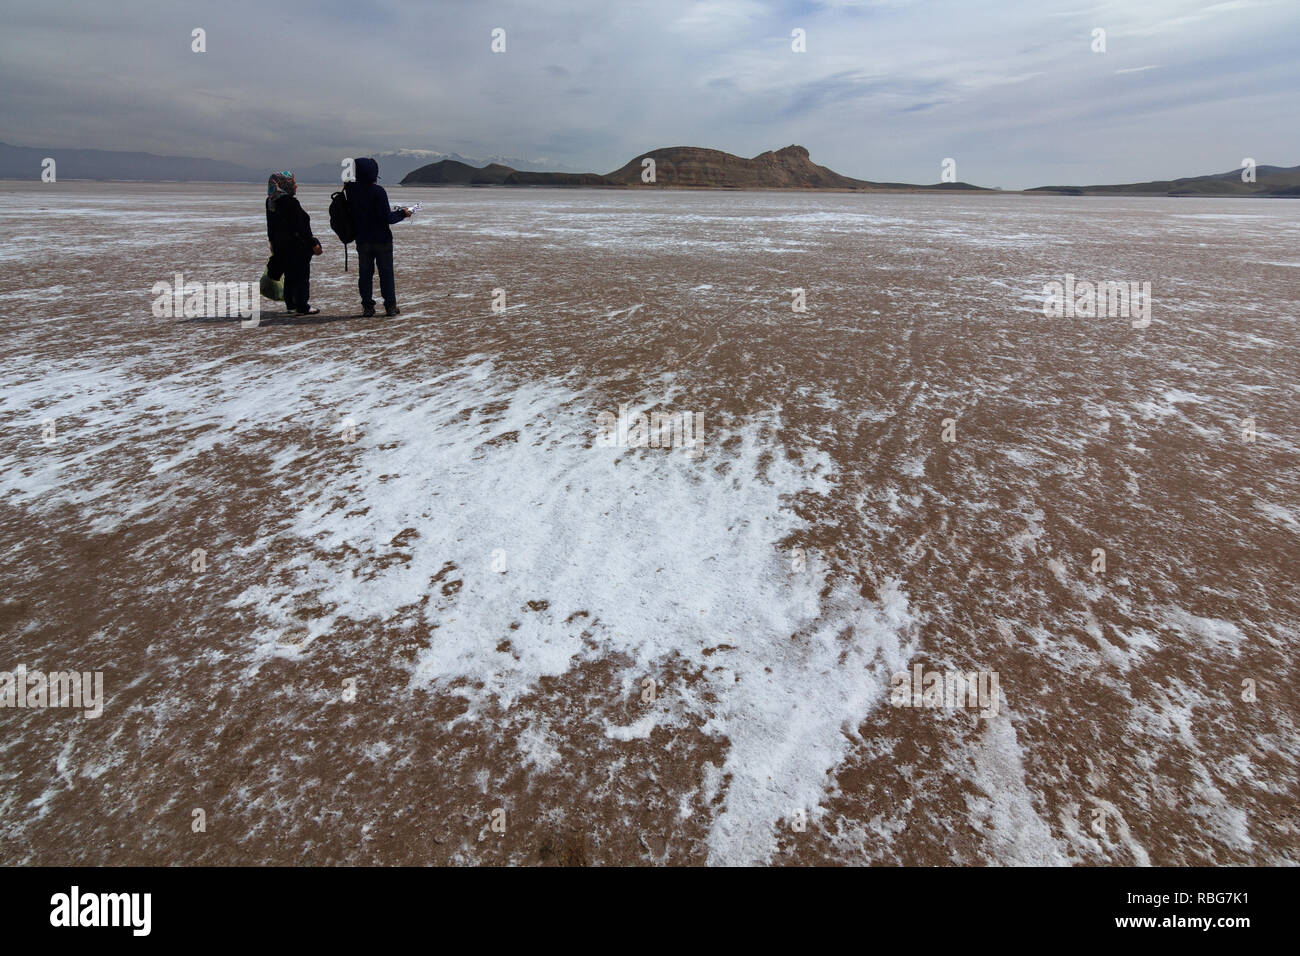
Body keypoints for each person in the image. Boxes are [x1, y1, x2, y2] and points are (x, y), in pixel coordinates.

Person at [344, 158, 412, 317]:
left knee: (365, 275)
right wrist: (403, 213)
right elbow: (387, 218)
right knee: (386, 275)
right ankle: (390, 306)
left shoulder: (351, 191)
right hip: (382, 240)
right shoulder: (378, 192)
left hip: (362, 240)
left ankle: (368, 307)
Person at [265, 171, 322, 315]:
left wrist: (272, 242)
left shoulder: (271, 200)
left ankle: (291, 305)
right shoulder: (290, 202)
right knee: (301, 276)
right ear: (286, 184)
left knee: (290, 276)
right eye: (293, 182)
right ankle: (302, 306)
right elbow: (300, 227)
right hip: (296, 246)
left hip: (281, 246)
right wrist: (313, 244)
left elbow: (270, 225)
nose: (296, 185)